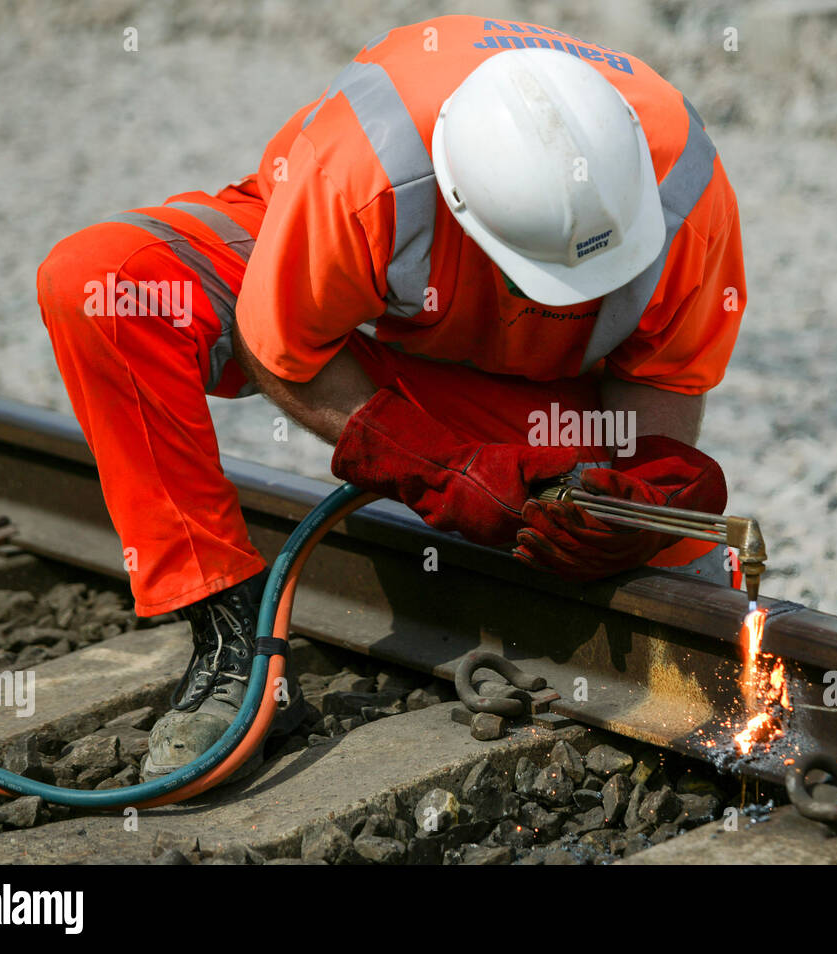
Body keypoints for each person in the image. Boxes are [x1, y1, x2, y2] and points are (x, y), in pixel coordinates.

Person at [36, 15, 746, 780]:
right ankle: (230, 638)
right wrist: (436, 470)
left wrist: (637, 505)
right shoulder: (362, 165)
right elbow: (284, 347)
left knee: (631, 529)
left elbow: (660, 387)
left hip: (530, 379)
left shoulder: (686, 192)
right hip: (342, 299)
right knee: (101, 287)